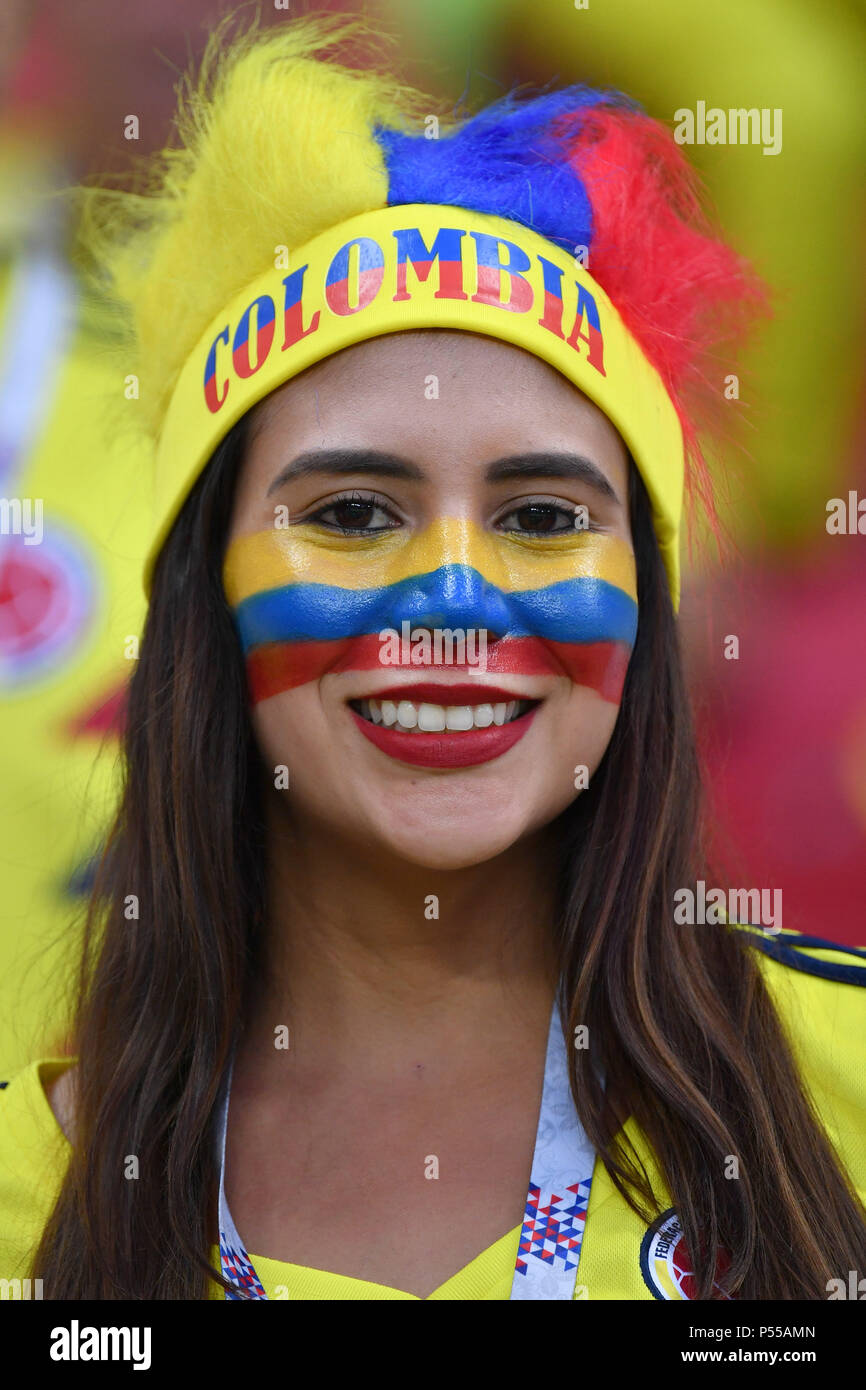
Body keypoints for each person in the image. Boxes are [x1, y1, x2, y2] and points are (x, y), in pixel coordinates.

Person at [1, 12, 864, 1302]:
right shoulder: (32, 1186)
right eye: (349, 515)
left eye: (543, 517)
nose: (454, 597)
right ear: (201, 605)